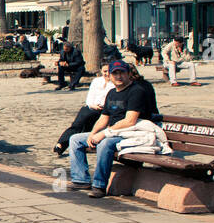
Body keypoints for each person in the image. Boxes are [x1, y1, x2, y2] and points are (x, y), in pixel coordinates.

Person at [67, 59, 159, 198]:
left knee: (104, 144)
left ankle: (99, 185)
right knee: (75, 139)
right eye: (115, 73)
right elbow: (104, 118)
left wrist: (104, 134)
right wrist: (93, 133)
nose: (118, 76)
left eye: (122, 73)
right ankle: (81, 179)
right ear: (109, 76)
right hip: (112, 131)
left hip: (131, 133)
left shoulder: (136, 91)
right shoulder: (111, 93)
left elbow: (130, 121)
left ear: (128, 74)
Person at [53, 65, 114, 156]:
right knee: (78, 123)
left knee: (91, 126)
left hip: (105, 110)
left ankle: (85, 144)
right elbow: (90, 97)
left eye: (109, 71)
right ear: (101, 71)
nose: (107, 74)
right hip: (92, 107)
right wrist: (92, 105)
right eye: (105, 71)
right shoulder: (97, 81)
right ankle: (61, 144)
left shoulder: (114, 83)